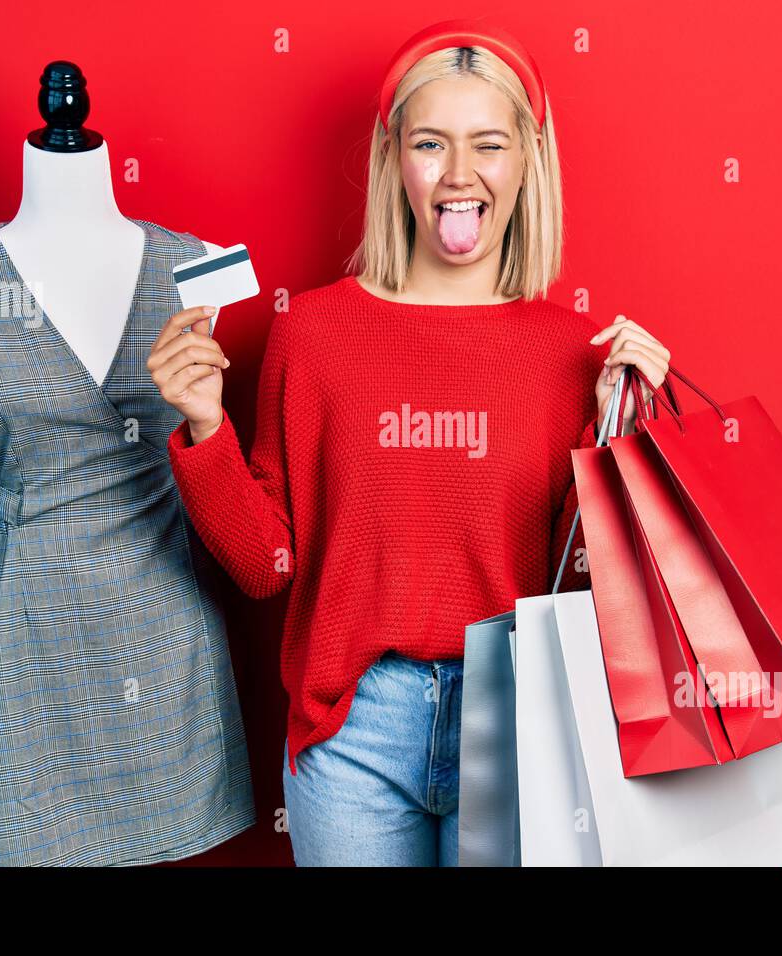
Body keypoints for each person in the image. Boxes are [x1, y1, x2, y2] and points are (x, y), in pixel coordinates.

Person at [149, 19, 670, 866]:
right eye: (431, 143)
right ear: (394, 158)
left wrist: (626, 433)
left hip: (521, 718)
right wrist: (206, 428)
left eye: (488, 145)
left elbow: (593, 585)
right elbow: (265, 565)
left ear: (528, 162)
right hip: (353, 729)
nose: (459, 176)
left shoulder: (576, 352)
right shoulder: (312, 334)